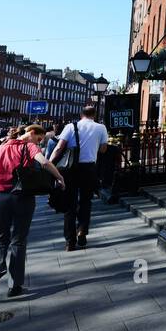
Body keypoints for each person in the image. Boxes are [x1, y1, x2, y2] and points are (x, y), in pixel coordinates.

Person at [0, 123, 65, 300]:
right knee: (18, 240)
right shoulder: (29, 146)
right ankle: (15, 285)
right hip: (22, 197)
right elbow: (45, 162)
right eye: (38, 139)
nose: (39, 143)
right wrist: (59, 177)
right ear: (31, 133)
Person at [50, 105, 109, 250]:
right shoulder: (101, 128)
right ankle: (82, 229)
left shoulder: (71, 127)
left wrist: (50, 164)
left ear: (81, 114)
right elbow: (103, 149)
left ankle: (70, 241)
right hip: (89, 168)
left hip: (70, 169)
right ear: (94, 115)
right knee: (86, 201)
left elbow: (59, 147)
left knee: (69, 204)